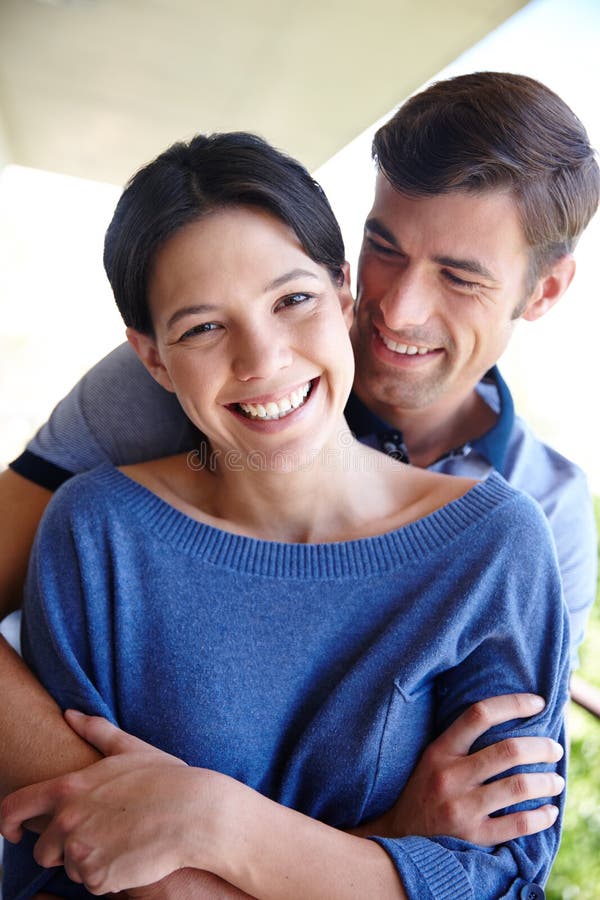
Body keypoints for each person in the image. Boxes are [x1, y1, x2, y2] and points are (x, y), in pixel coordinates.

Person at [0, 69, 593, 889]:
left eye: (458, 275)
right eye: (385, 248)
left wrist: (217, 823)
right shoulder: (100, 522)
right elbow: (80, 841)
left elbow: (499, 866)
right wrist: (388, 843)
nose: (398, 311)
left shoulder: (525, 530)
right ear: (154, 358)